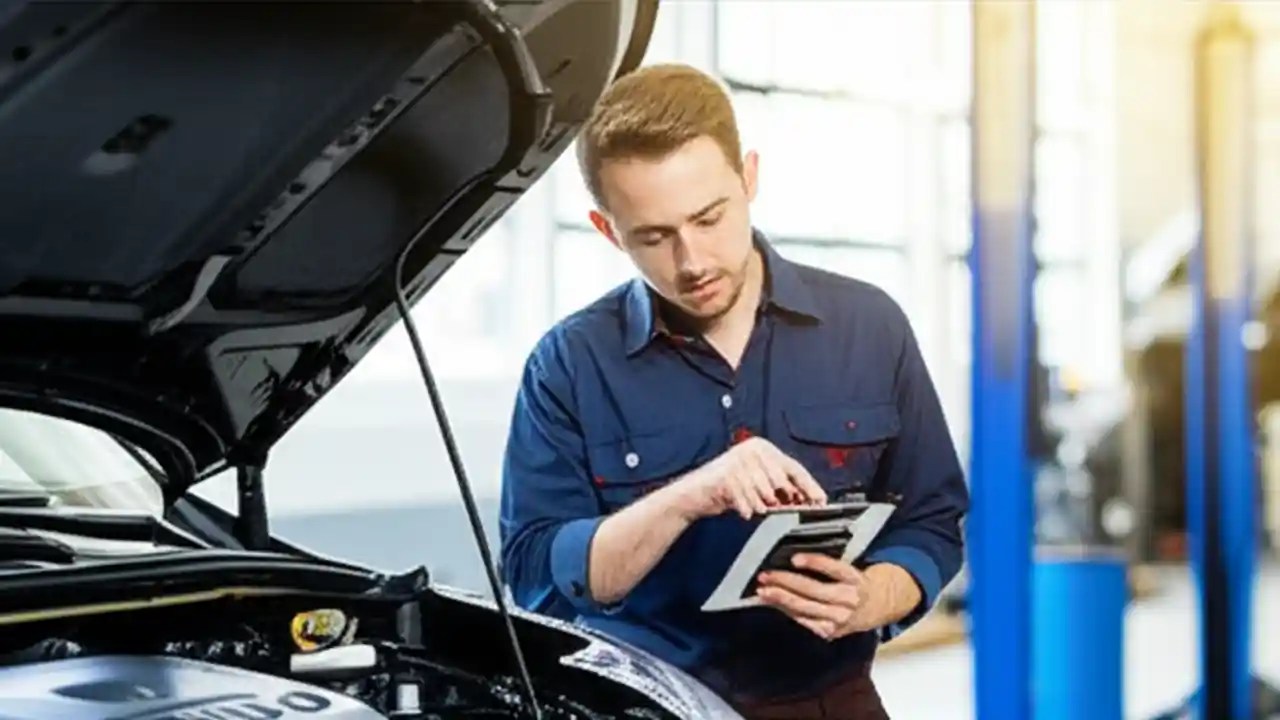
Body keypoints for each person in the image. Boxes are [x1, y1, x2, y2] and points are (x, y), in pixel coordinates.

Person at [497, 63, 969, 719]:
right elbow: (535, 575)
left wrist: (872, 597)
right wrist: (690, 497)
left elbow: (932, 521)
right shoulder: (569, 365)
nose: (691, 262)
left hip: (826, 702)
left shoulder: (870, 326)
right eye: (654, 238)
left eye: (709, 218)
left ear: (749, 179)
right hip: (640, 707)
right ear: (608, 231)